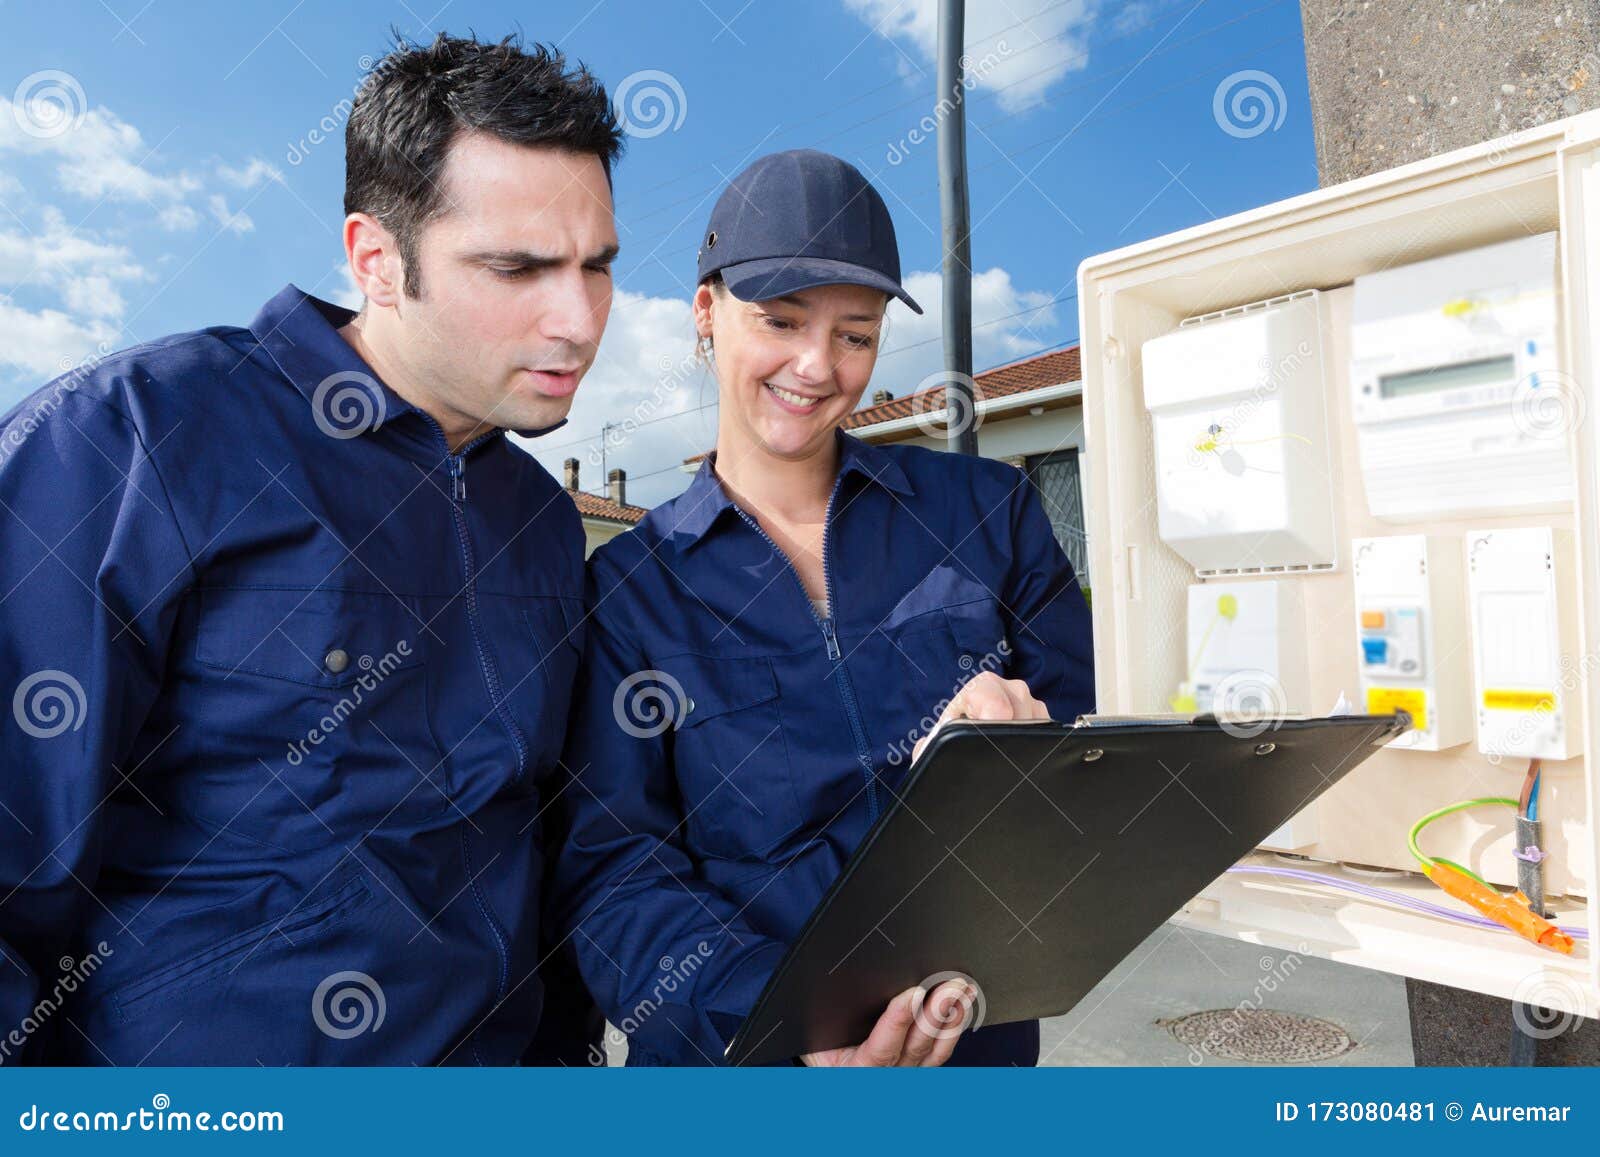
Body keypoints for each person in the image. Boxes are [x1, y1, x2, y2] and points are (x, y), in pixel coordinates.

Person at [0, 33, 616, 1064]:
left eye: (596, 265)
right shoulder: (135, 436)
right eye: (517, 267)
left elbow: (544, 856)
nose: (578, 318)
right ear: (376, 258)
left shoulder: (544, 524)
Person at [551, 149, 1096, 1066]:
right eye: (782, 319)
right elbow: (612, 870)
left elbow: (1108, 767)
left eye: (856, 333)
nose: (817, 365)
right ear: (705, 316)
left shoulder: (987, 517)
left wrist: (1037, 759)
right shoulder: (629, 590)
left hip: (972, 1056)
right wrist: (777, 1022)